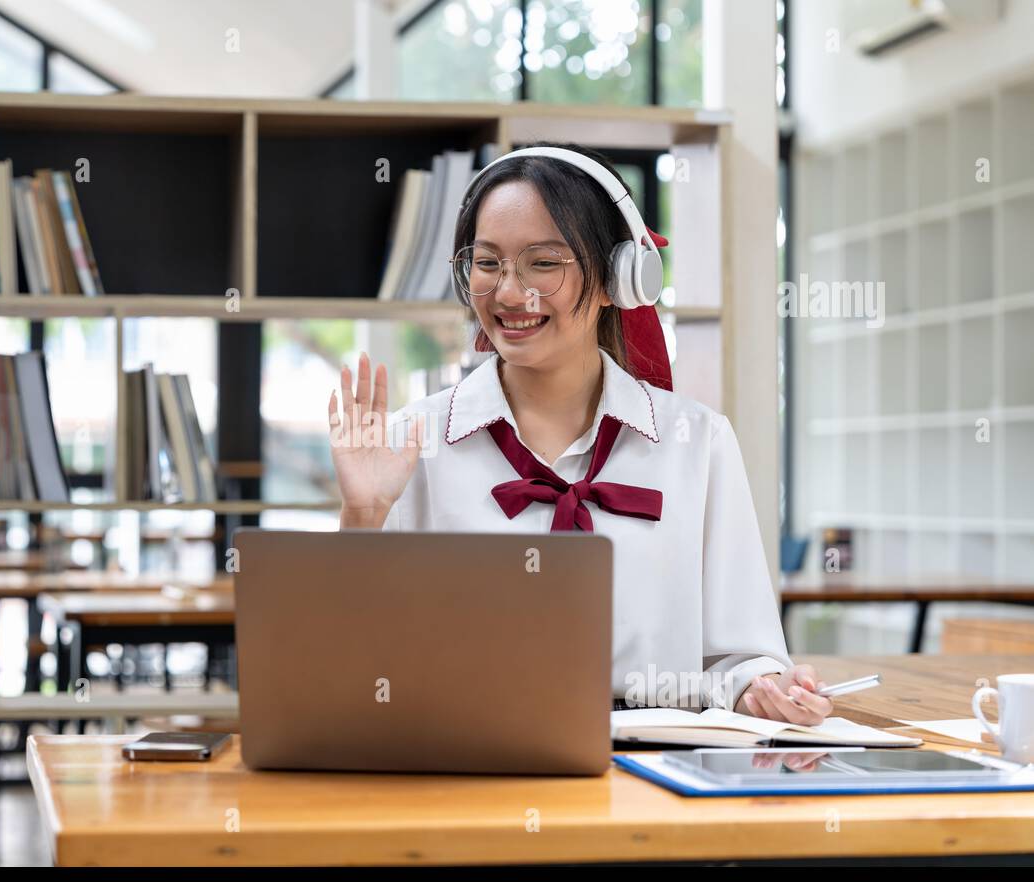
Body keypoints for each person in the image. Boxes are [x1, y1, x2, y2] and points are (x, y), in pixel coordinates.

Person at [326, 143, 831, 724]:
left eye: (543, 263)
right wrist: (362, 517)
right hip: (465, 760)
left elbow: (737, 659)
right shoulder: (411, 442)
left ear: (622, 276)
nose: (511, 294)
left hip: (654, 772)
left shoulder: (698, 442)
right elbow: (355, 671)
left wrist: (761, 688)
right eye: (488, 263)